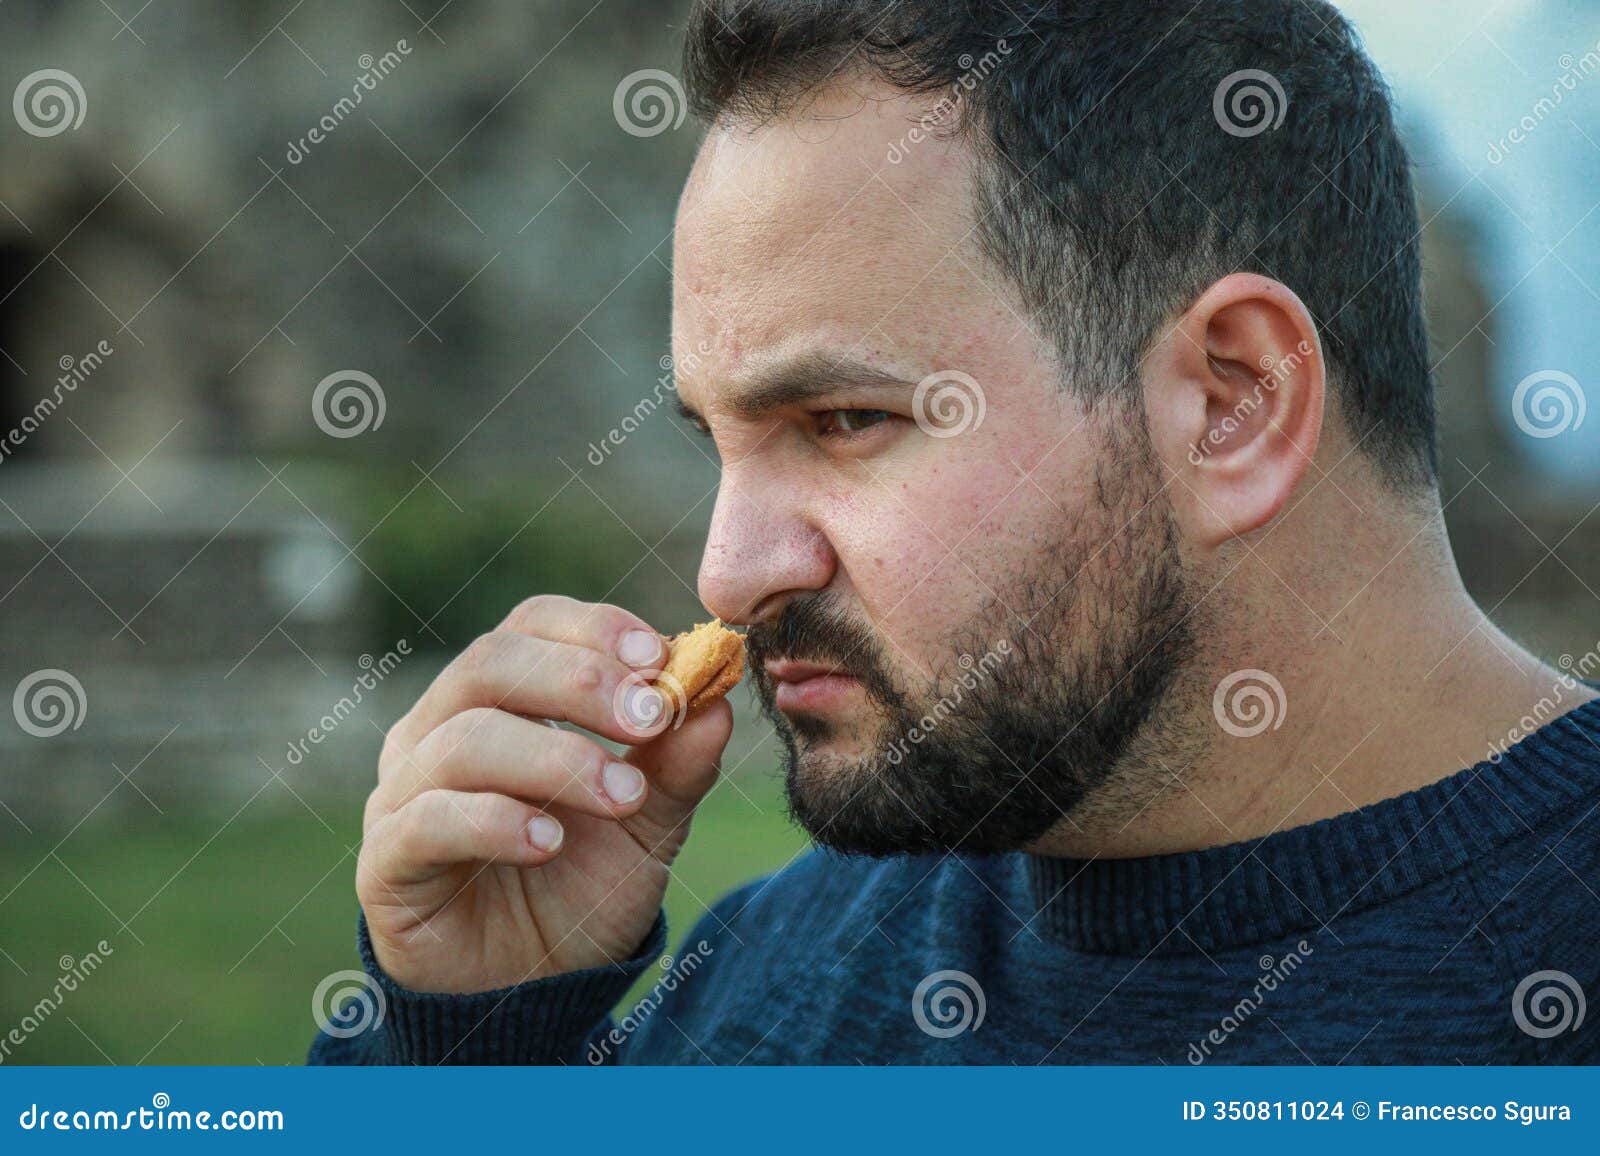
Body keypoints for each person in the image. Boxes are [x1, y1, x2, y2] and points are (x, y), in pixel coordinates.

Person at [310, 0, 1600, 1064]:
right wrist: (465, 1036)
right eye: (721, 442)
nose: (730, 574)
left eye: (846, 420)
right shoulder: (764, 991)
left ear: (1233, 403)